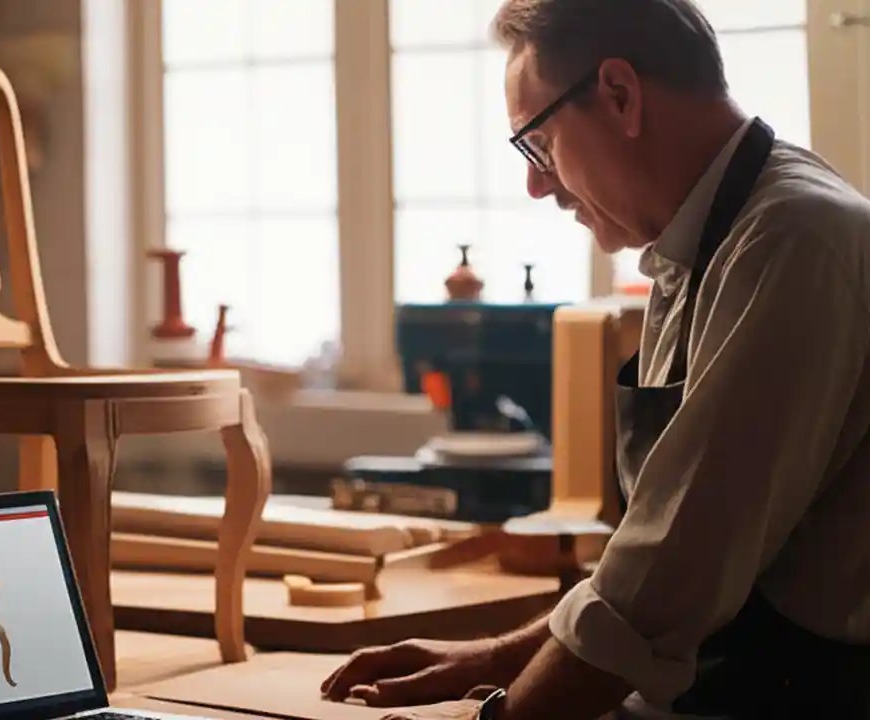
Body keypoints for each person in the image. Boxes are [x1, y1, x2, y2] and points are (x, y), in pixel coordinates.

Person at [320, 0, 870, 718]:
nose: (537, 185)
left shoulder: (794, 239)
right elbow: (644, 561)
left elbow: (675, 574)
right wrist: (488, 660)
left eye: (537, 143)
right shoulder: (702, 241)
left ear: (619, 94)